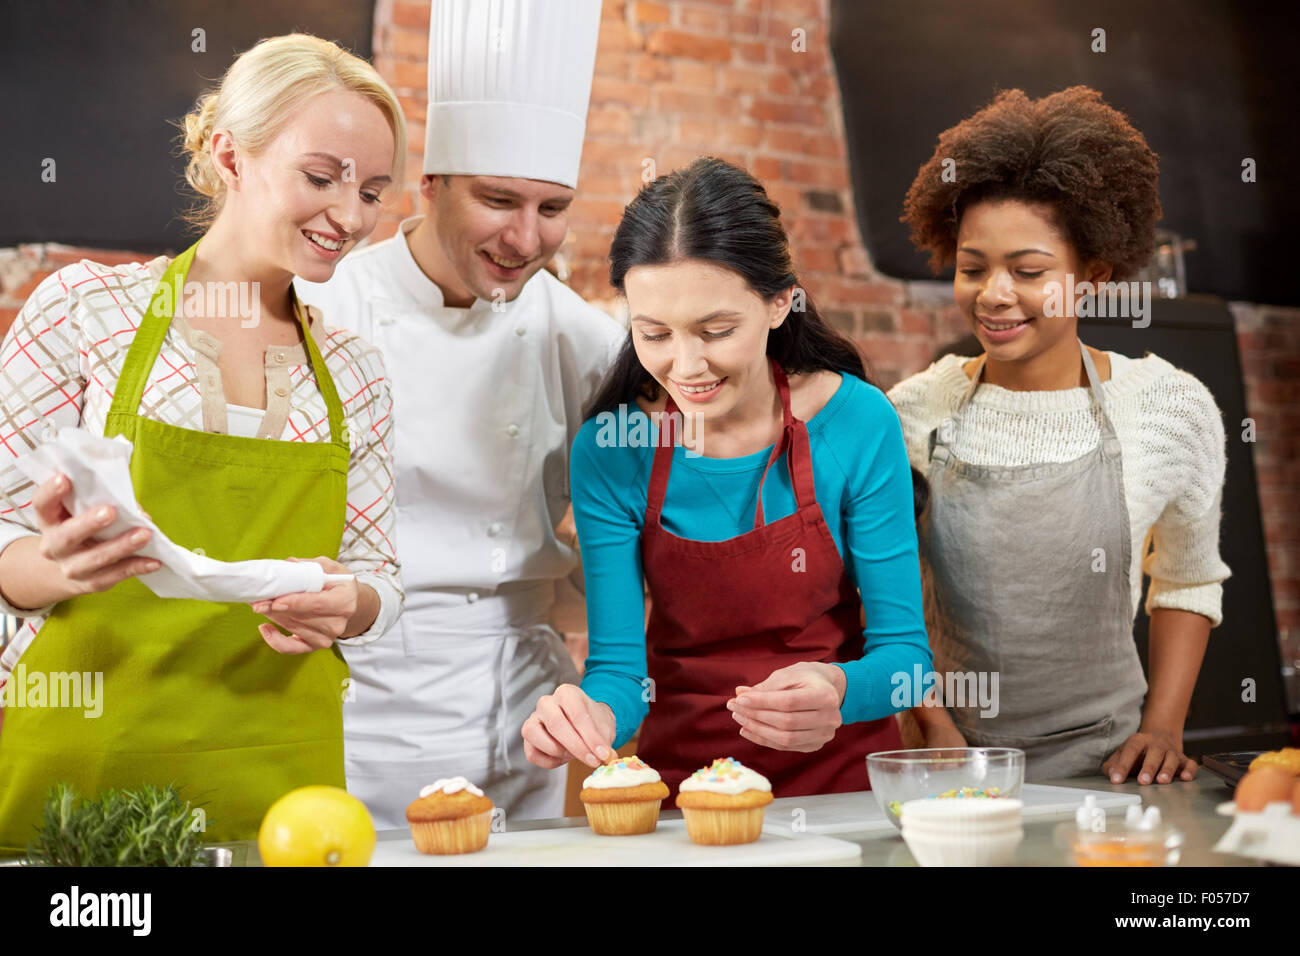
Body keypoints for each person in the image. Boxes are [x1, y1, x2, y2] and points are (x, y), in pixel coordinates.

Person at [0, 33, 406, 847]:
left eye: (373, 190)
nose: (350, 216)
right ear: (229, 155)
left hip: (282, 791)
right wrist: (54, 565)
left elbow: (378, 577)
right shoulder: (87, 312)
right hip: (81, 778)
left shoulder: (356, 372)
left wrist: (351, 606)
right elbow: (5, 541)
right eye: (321, 177)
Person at [295, 0, 623, 826]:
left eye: (552, 209)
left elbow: (638, 519)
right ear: (432, 184)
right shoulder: (322, 309)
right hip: (350, 706)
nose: (524, 238)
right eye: (498, 200)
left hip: (523, 717)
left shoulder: (584, 337)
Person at [521, 157, 933, 796]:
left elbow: (908, 661)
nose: (685, 366)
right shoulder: (611, 448)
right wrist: (589, 716)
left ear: (777, 303)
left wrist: (842, 690)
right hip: (688, 796)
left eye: (716, 331)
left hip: (844, 792)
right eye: (653, 333)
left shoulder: (857, 421)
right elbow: (620, 672)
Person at [889, 87, 1231, 784]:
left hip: (1108, 769)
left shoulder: (1170, 409)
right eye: (972, 266)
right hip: (946, 762)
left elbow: (1188, 579)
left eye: (1029, 270)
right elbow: (878, 591)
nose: (993, 293)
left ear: (1092, 275)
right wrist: (930, 722)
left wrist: (1164, 727)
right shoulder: (914, 412)